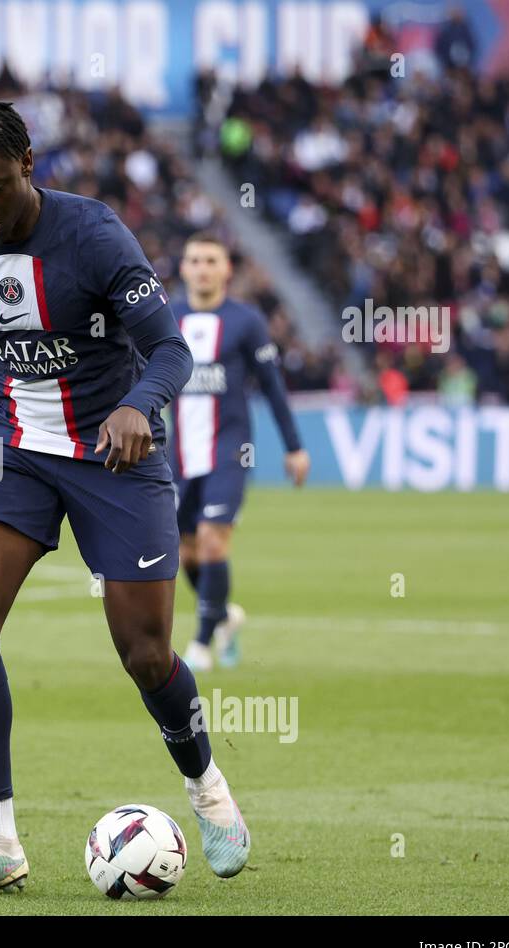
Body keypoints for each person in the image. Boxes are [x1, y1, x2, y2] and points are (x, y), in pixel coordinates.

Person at [0, 100, 250, 895]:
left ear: (28, 162)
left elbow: (167, 348)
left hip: (113, 452)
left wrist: (141, 404)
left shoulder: (93, 235)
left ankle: (208, 789)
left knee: (144, 653)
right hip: (10, 445)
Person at [169, 234, 309, 671]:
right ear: (184, 268)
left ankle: (199, 645)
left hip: (230, 450)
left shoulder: (246, 320)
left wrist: (294, 447)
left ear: (227, 269)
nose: (203, 268)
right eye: (195, 260)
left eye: (211, 260)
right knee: (185, 553)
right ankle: (225, 616)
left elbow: (271, 385)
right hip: (180, 454)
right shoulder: (168, 316)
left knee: (213, 537)